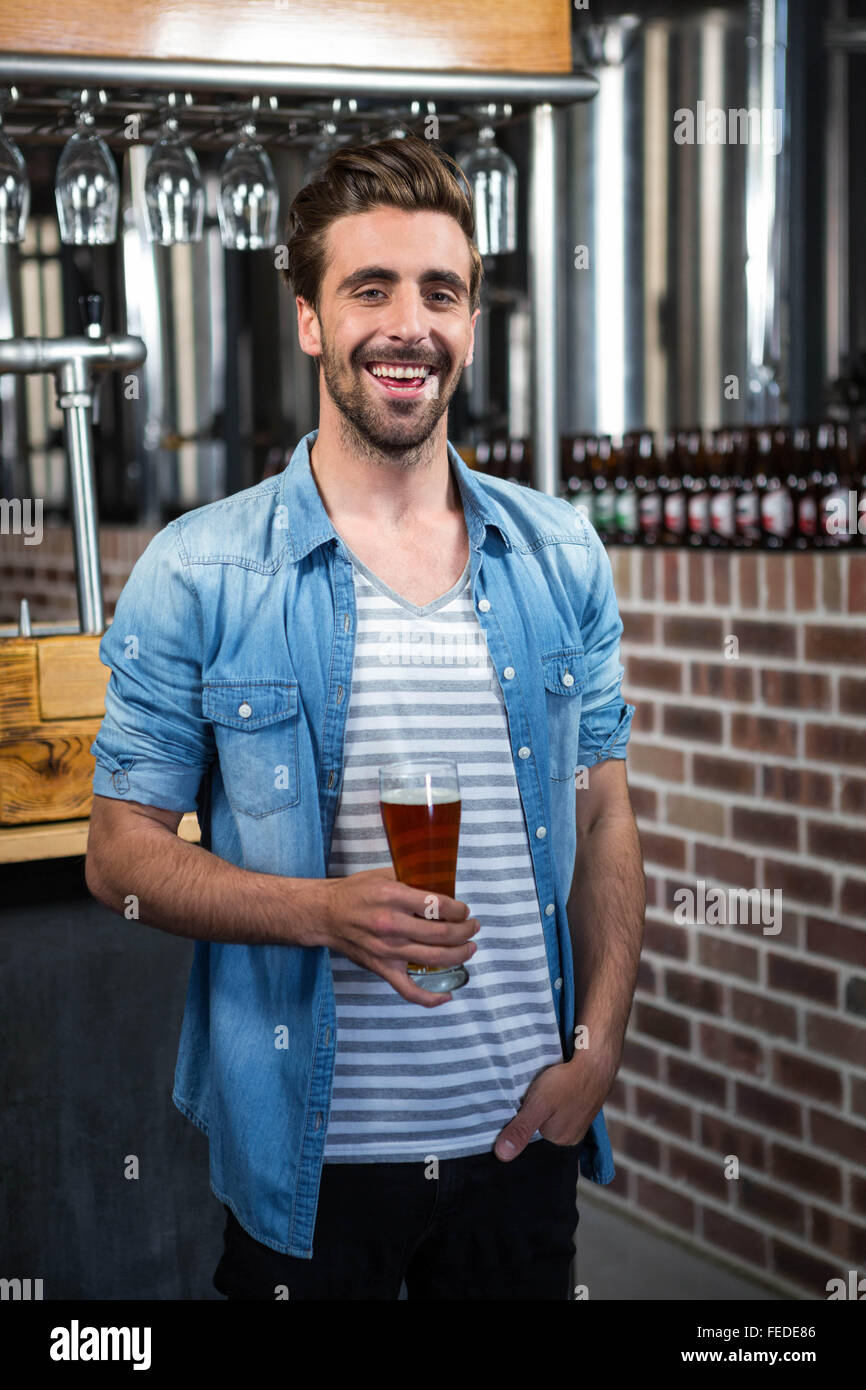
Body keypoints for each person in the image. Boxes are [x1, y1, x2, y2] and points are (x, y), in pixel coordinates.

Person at [86, 135, 645, 1301]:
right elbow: (118, 858)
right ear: (309, 321)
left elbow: (601, 817)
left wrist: (594, 1051)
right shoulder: (199, 570)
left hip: (516, 1152)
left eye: (440, 291)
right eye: (368, 289)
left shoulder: (558, 556)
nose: (408, 325)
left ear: (472, 323)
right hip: (307, 1172)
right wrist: (320, 913)